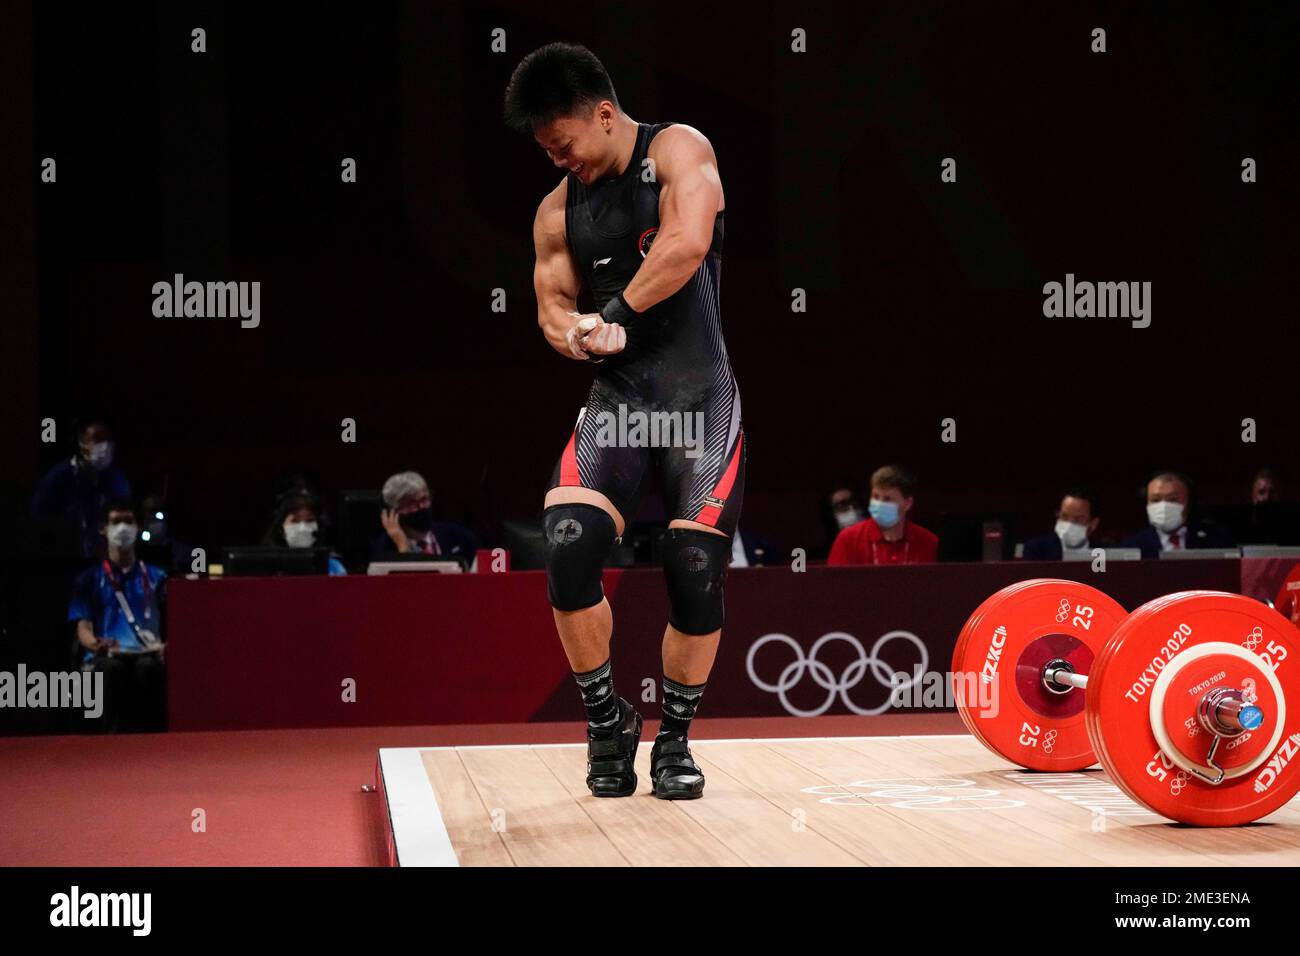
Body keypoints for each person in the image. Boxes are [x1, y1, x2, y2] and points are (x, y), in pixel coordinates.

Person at [506, 42, 742, 799]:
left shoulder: (677, 149)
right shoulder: (555, 211)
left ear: (604, 115)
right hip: (621, 404)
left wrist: (611, 312)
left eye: (563, 146)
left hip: (700, 402)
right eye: (545, 152)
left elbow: (686, 243)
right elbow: (548, 307)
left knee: (694, 569)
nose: (557, 163)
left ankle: (675, 740)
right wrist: (573, 332)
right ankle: (608, 720)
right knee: (569, 547)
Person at [67, 498, 166, 732]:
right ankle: (111, 742)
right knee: (111, 671)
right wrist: (95, 644)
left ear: (138, 527)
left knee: (148, 669)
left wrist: (167, 646)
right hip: (108, 654)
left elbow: (176, 620)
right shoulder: (89, 579)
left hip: (147, 653)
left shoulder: (157, 576)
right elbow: (83, 628)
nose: (123, 528)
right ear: (103, 528)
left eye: (128, 521)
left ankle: (152, 741)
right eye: (116, 521)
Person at [31, 416, 132, 558]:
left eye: (108, 440)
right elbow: (38, 523)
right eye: (97, 438)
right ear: (81, 443)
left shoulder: (117, 481)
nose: (104, 446)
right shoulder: (56, 480)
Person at [827, 465, 938, 565]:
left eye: (887, 499)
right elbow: (833, 585)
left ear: (907, 503)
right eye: (875, 497)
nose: (879, 504)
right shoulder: (848, 539)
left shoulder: (928, 541)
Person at [372, 471, 480, 562]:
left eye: (424, 499)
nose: (421, 507)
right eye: (411, 503)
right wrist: (403, 549)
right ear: (393, 512)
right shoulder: (383, 548)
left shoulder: (460, 536)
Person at [1121, 471, 1234, 558]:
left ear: (1189, 502)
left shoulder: (1217, 539)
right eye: (1155, 500)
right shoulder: (1132, 545)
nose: (1163, 506)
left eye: (1173, 499)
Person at [262, 489, 347, 575]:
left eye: (309, 520)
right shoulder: (266, 568)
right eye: (295, 521)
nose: (302, 528)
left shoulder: (334, 567)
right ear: (281, 529)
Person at [1022, 488, 1101, 560]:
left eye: (1078, 519)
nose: (1069, 524)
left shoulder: (1105, 552)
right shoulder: (1037, 549)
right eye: (1064, 516)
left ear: (1093, 524)